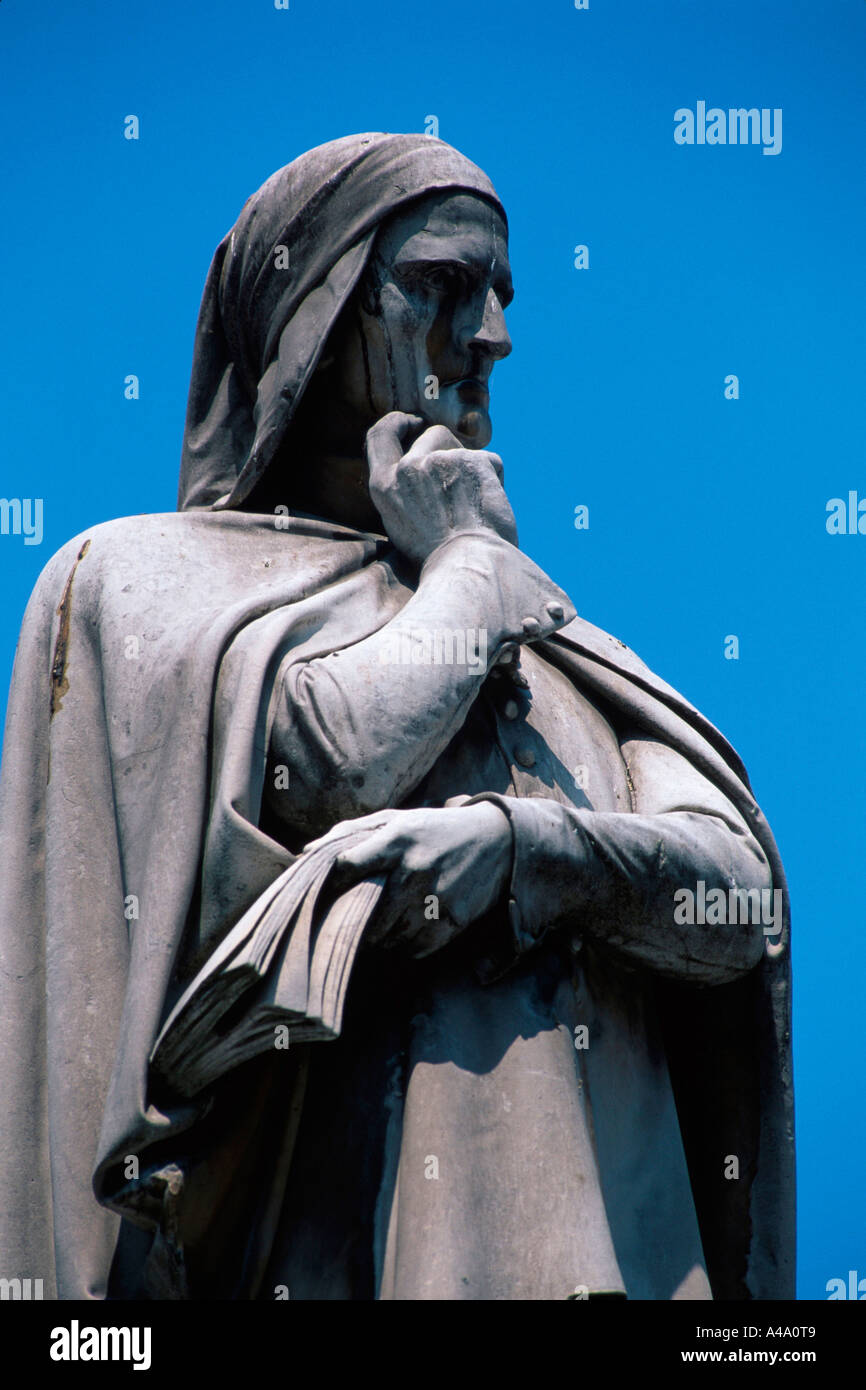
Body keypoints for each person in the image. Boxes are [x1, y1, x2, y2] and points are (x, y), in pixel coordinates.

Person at [0, 133, 794, 1301]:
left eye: (499, 295)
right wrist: (469, 567)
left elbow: (739, 900)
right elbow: (328, 769)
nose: (490, 337)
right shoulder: (135, 580)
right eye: (438, 286)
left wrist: (523, 852)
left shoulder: (566, 649)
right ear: (315, 314)